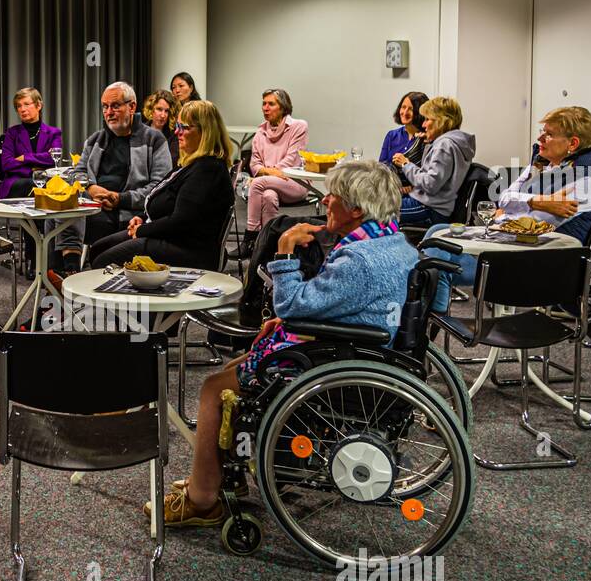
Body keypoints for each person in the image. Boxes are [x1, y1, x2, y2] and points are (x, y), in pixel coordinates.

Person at [148, 159, 416, 526]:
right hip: (355, 343)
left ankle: (203, 499)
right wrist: (290, 321)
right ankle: (226, 474)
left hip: (336, 356)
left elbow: (290, 302)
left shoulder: (359, 259)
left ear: (355, 208)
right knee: (232, 369)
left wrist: (286, 252)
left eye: (333, 196)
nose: (325, 203)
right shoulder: (389, 241)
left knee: (213, 388)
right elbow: (334, 301)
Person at [421, 106, 591, 313]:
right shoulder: (542, 164)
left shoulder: (584, 184)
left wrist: (511, 210)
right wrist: (539, 201)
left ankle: (429, 323)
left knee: (435, 258)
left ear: (572, 143)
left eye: (549, 134)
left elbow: (528, 226)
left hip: (531, 266)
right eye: (542, 132)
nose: (540, 139)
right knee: (436, 234)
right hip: (507, 251)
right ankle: (429, 320)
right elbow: (504, 198)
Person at [90, 99, 234, 270]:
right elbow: (166, 202)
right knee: (97, 249)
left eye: (185, 127)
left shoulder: (208, 169)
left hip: (189, 249)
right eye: (178, 126)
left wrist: (143, 230)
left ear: (206, 132)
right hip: (170, 238)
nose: (178, 132)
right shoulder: (191, 164)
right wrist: (143, 218)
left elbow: (181, 221)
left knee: (102, 262)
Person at [50, 81, 172, 278]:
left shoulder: (154, 140)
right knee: (58, 209)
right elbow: (76, 173)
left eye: (115, 106)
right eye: (105, 107)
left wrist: (119, 198)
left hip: (129, 213)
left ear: (132, 106)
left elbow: (160, 188)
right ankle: (67, 272)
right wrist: (90, 188)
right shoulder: (96, 139)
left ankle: (66, 274)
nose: (109, 112)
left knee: (60, 219)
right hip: (92, 207)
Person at [239, 88, 309, 254]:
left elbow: (290, 162)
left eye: (271, 104)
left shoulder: (298, 126)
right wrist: (274, 173)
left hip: (294, 184)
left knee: (257, 183)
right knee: (268, 196)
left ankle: (250, 236)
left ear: (283, 107)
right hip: (270, 184)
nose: (265, 107)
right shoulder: (260, 132)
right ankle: (268, 243)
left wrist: (266, 172)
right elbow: (254, 165)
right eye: (263, 103)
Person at [391, 96, 475, 227]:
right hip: (431, 205)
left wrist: (405, 164)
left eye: (427, 119)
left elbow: (430, 184)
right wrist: (429, 143)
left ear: (441, 121)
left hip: (429, 208)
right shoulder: (450, 143)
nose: (423, 125)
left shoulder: (444, 145)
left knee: (374, 210)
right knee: (378, 203)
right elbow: (430, 172)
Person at [0, 87, 64, 200]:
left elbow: (53, 159)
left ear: (38, 106)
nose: (22, 109)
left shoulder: (53, 133)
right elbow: (6, 164)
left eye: (26, 104)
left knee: (62, 186)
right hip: (17, 181)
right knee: (36, 185)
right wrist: (35, 169)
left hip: (46, 179)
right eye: (19, 106)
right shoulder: (12, 133)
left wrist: (25, 158)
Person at [379, 91, 429, 224]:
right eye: (403, 107)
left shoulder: (426, 138)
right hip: (390, 191)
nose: (404, 112)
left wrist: (409, 188)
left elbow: (427, 175)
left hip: (414, 195)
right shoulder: (392, 135)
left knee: (374, 212)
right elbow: (381, 167)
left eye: (410, 109)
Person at [142, 89, 181, 169]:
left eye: (166, 111)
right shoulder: (141, 131)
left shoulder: (174, 134)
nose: (163, 115)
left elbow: (172, 162)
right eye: (159, 109)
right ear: (151, 109)